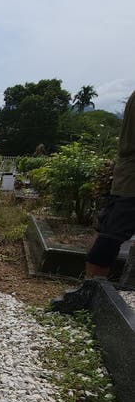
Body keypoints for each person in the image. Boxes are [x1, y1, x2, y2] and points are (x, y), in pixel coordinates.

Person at [85, 89, 135, 276]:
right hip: (131, 184)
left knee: (106, 233)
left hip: (126, 179)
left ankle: (90, 286)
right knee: (109, 238)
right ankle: (91, 289)